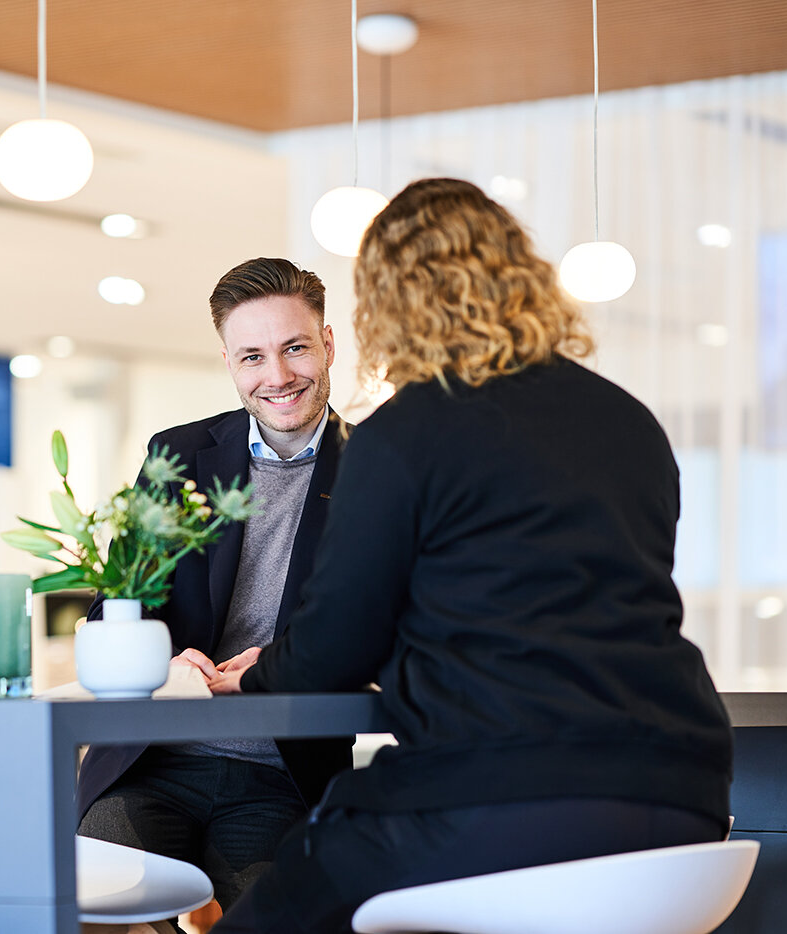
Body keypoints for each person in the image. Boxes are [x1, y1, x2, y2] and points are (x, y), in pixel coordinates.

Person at [205, 178, 734, 933]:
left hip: (503, 797)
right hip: (685, 799)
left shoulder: (402, 436)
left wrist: (268, 666)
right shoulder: (630, 422)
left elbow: (333, 649)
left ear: (386, 303)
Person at [76, 257, 354, 913]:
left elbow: (382, 629)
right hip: (152, 761)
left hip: (281, 773)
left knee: (269, 914)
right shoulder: (177, 458)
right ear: (229, 362)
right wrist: (162, 661)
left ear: (329, 343)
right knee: (82, 902)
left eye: (295, 348)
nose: (278, 376)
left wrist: (282, 665)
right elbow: (113, 609)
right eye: (252, 356)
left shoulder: (377, 471)